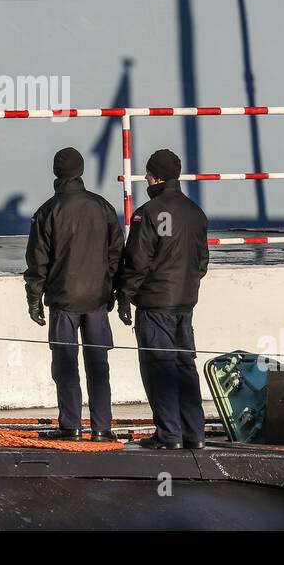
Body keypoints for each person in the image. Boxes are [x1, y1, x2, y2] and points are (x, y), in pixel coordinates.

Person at [24, 147, 124, 441]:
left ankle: (71, 426)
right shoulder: (102, 207)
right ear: (81, 172)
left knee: (65, 363)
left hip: (63, 300)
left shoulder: (47, 211)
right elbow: (117, 252)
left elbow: (37, 261)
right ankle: (102, 427)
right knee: (98, 363)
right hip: (97, 300)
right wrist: (113, 289)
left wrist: (34, 299)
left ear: (57, 173)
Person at [115, 149, 209, 450]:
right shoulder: (196, 213)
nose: (145, 179)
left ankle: (169, 434)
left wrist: (125, 296)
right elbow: (202, 262)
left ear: (156, 177)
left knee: (159, 368)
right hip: (185, 303)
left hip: (156, 304)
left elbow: (137, 262)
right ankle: (195, 434)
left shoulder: (149, 213)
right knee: (184, 367)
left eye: (147, 175)